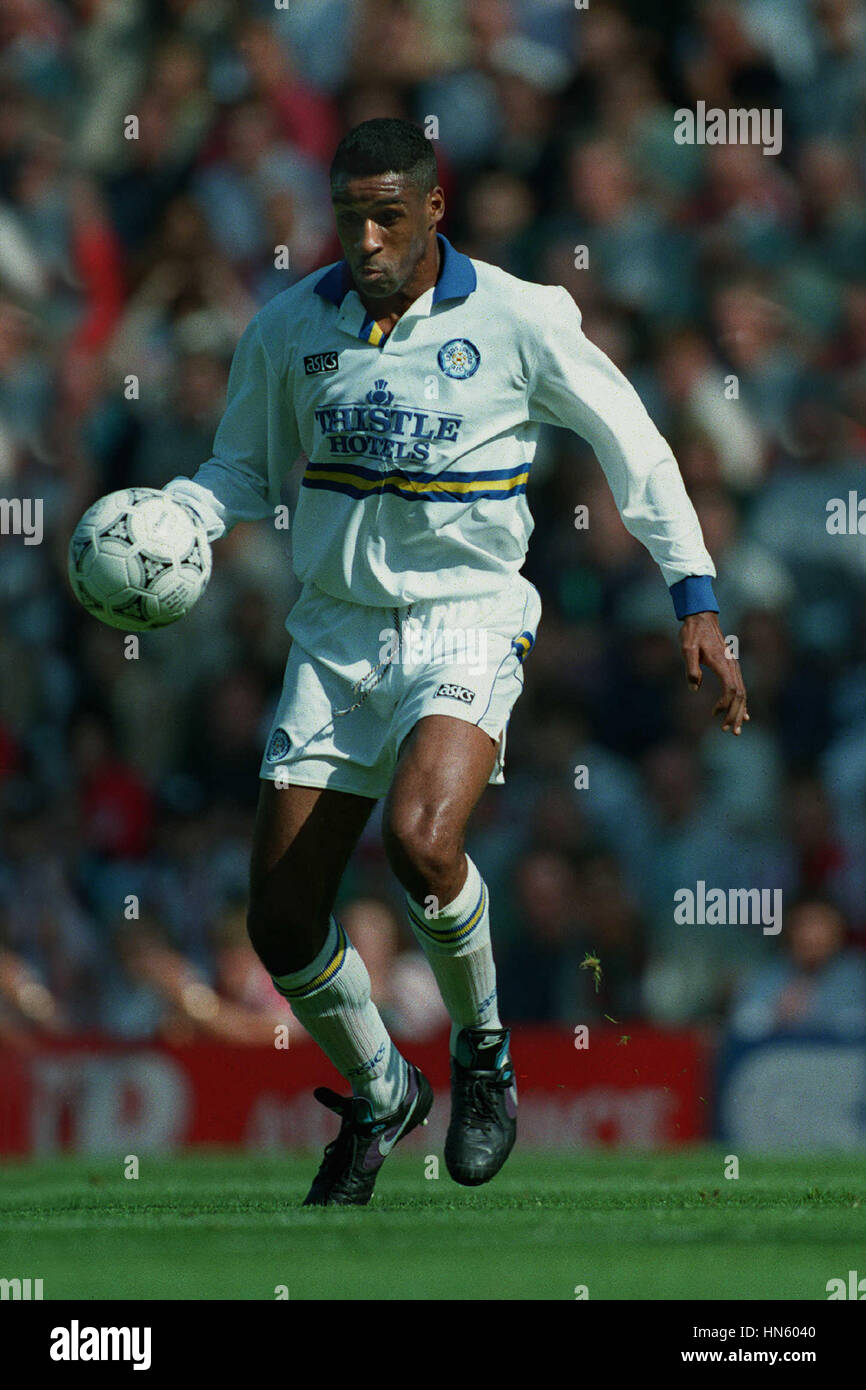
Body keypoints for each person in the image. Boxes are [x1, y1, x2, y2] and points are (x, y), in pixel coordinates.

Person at [164, 118, 748, 1205]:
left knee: (423, 842)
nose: (368, 237)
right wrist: (178, 515)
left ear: (435, 207)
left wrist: (695, 595)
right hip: (333, 632)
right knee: (281, 920)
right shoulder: (289, 326)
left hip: (465, 617)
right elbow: (239, 471)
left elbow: (636, 445)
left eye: (389, 213)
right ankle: (384, 1091)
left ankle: (481, 1054)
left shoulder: (523, 318)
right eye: (350, 216)